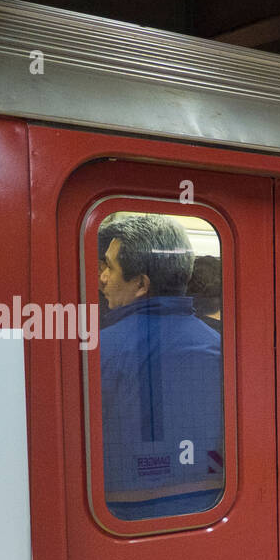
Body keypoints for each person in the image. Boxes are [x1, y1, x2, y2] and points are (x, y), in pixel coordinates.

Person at [97, 214, 224, 520]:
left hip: (122, 514)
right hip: (209, 505)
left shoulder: (97, 351)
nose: (102, 278)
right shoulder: (218, 346)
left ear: (141, 284)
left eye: (109, 268)